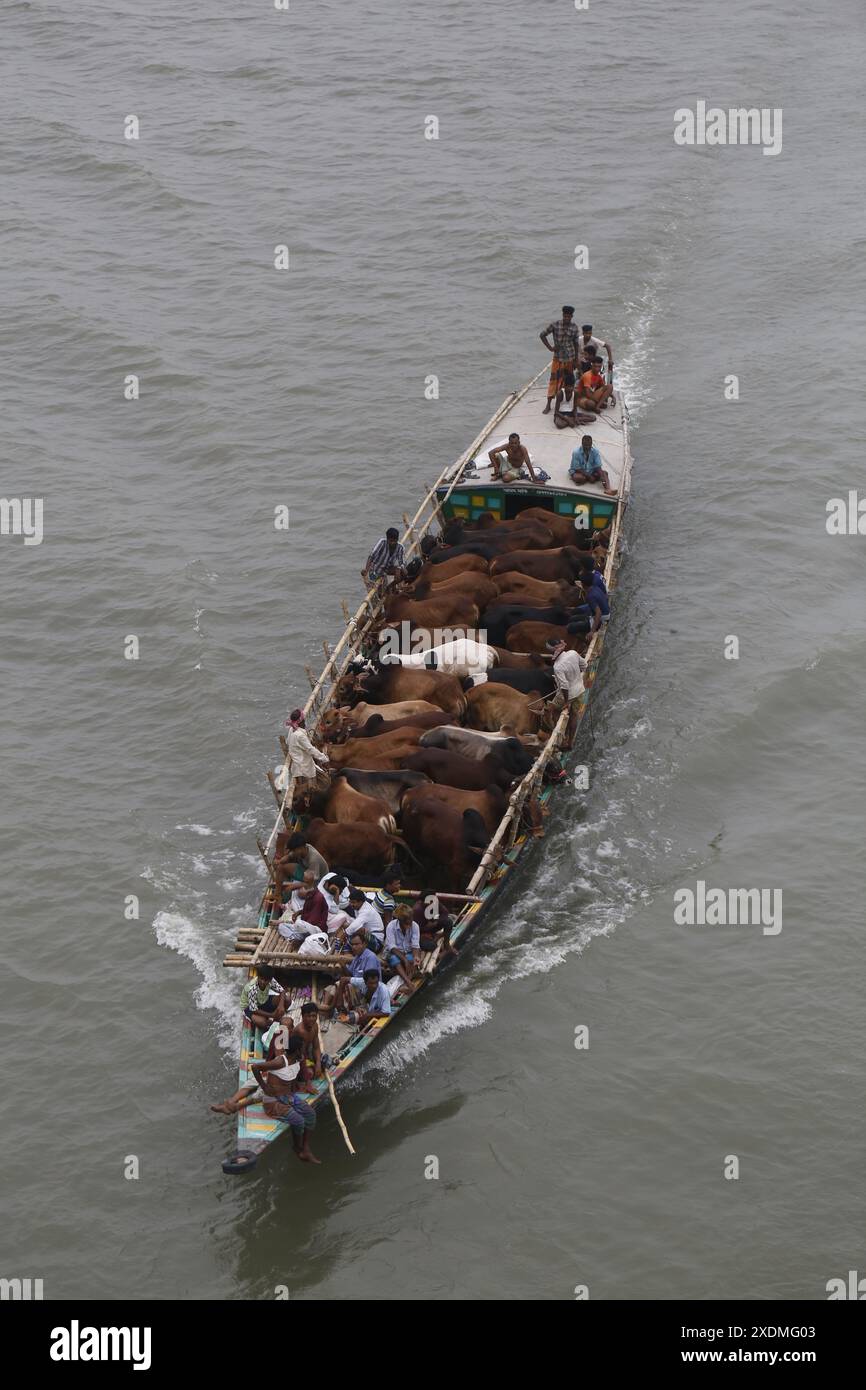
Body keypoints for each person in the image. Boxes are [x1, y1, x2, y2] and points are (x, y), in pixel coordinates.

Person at [540, 305, 582, 413]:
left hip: (570, 359)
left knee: (568, 382)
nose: (566, 318)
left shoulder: (574, 327)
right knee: (553, 381)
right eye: (565, 316)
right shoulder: (555, 325)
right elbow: (542, 335)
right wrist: (550, 348)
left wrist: (576, 359)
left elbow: (576, 345)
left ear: (572, 316)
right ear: (563, 315)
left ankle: (568, 403)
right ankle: (548, 404)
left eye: (569, 316)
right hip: (558, 358)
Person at [546, 637, 588, 744]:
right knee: (574, 716)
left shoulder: (557, 666)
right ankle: (570, 742)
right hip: (580, 691)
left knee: (553, 709)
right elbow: (584, 666)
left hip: (567, 695)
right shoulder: (573, 653)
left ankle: (559, 735)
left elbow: (564, 686)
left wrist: (566, 701)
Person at [328, 932, 383, 1012]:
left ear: (364, 944)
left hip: (368, 993)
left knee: (344, 985)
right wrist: (343, 966)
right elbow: (350, 974)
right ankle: (328, 1009)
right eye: (352, 944)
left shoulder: (370, 957)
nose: (354, 947)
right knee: (331, 988)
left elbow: (369, 983)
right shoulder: (357, 957)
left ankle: (342, 1010)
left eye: (357, 944)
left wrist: (348, 981)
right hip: (358, 989)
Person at [271, 832, 328, 908]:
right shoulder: (300, 850)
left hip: (318, 881)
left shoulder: (313, 859)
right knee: (281, 868)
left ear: (300, 848)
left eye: (294, 850)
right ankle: (277, 895)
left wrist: (293, 886)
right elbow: (288, 857)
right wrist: (279, 862)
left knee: (301, 893)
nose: (293, 852)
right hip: (306, 871)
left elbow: (312, 881)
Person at [283, 709, 330, 789]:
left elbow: (288, 742)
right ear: (301, 721)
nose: (305, 721)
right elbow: (311, 750)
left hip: (297, 766)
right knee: (314, 787)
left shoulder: (292, 730)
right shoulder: (300, 735)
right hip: (305, 768)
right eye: (304, 719)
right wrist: (324, 758)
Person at [385, 904, 421, 989]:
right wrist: (404, 960)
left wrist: (416, 956)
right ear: (400, 921)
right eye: (406, 922)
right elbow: (392, 947)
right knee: (394, 959)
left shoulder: (415, 926)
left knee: (414, 959)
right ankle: (408, 982)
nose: (410, 924)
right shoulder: (391, 926)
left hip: (408, 952)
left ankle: (407, 983)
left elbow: (415, 945)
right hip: (395, 953)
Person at [413, 891, 457, 959]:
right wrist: (424, 933)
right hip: (421, 932)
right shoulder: (417, 910)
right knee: (431, 946)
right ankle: (436, 938)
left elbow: (445, 913)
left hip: (432, 926)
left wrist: (436, 922)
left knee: (448, 922)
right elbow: (415, 929)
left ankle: (446, 945)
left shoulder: (434, 903)